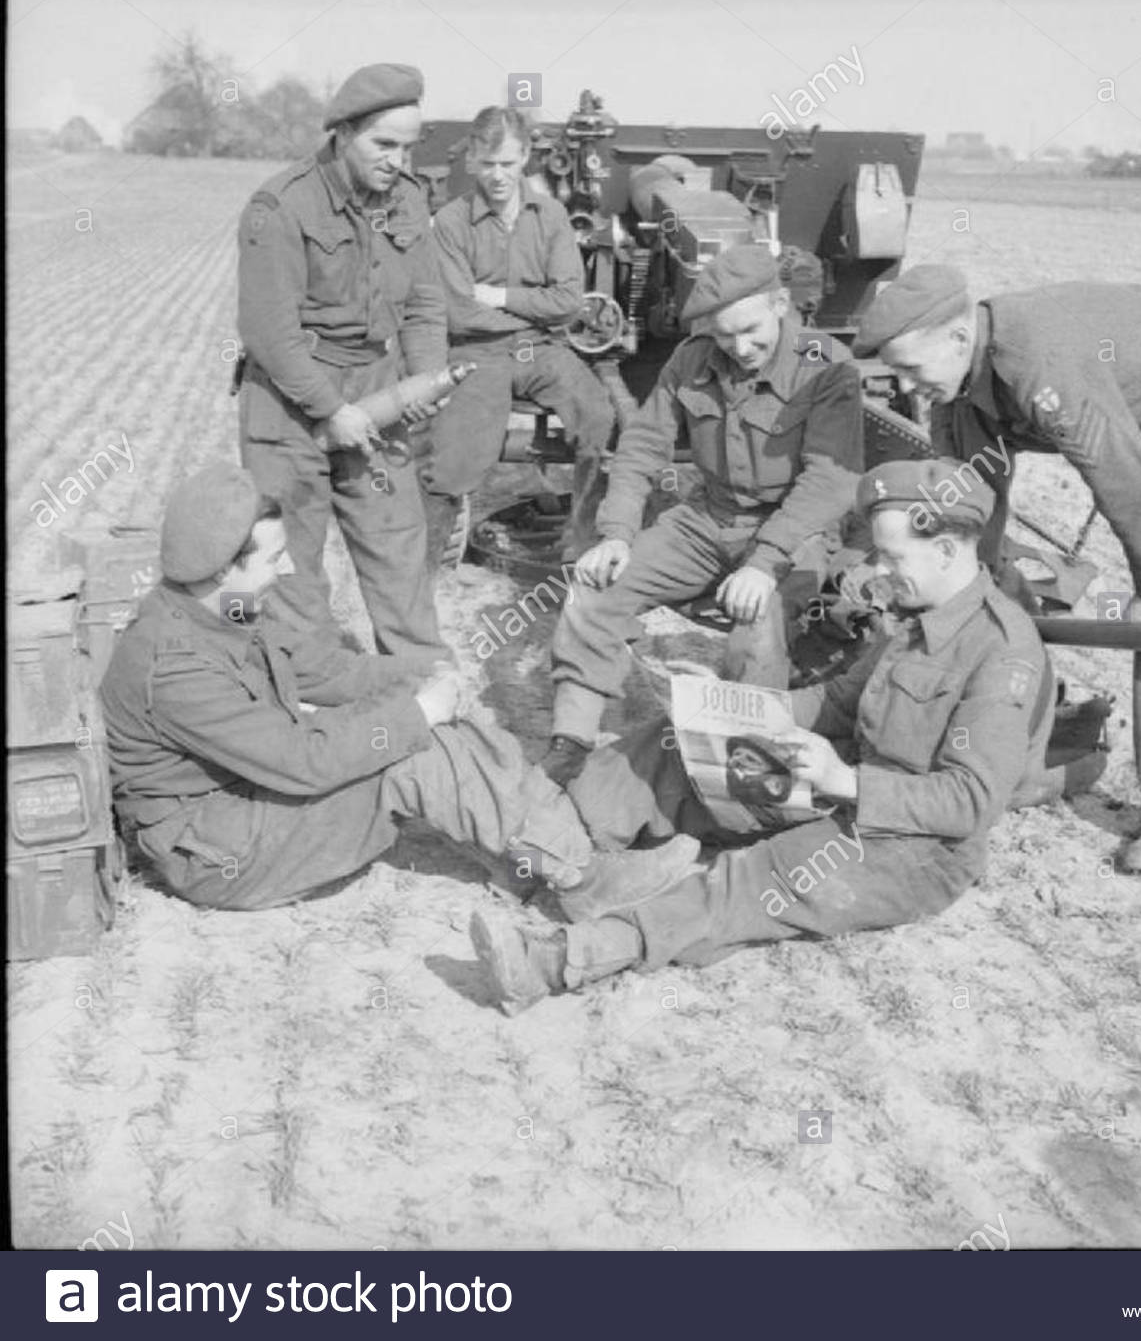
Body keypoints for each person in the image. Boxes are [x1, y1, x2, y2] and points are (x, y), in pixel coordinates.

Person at [469, 458, 1052, 1015]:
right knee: (667, 745)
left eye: (892, 556)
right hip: (844, 784)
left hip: (917, 847)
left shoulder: (1002, 651)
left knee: (751, 881)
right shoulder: (914, 615)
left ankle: (554, 962)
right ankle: (552, 851)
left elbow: (970, 802)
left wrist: (844, 781)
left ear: (948, 550)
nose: (877, 570)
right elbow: (838, 702)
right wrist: (733, 708)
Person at [99, 464, 698, 916]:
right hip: (222, 851)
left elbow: (319, 671)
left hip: (250, 799)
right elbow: (300, 760)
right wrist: (414, 714)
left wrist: (420, 674)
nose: (285, 572)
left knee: (434, 725)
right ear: (223, 568)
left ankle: (547, 851)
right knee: (414, 751)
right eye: (274, 560)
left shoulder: (218, 605)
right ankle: (583, 884)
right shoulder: (173, 665)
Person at [855, 265, 1141, 873]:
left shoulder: (1038, 362)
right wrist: (960, 577)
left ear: (957, 336)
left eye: (915, 370)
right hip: (1129, 418)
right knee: (979, 589)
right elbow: (964, 495)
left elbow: (1123, 477)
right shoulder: (958, 383)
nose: (911, 388)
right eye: (899, 374)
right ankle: (992, 743)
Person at [541, 242, 864, 786]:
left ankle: (750, 767)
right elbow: (643, 444)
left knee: (756, 631)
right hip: (707, 520)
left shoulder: (827, 368)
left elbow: (829, 481)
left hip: (794, 530)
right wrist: (617, 534)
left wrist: (763, 564)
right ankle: (571, 741)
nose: (739, 348)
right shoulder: (690, 360)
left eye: (751, 330)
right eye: (723, 335)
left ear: (781, 304)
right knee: (593, 591)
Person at [236, 62, 451, 669]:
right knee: (292, 558)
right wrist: (332, 410)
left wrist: (426, 377)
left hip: (376, 387)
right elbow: (269, 333)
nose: (398, 162)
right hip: (288, 399)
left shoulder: (408, 199)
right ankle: (311, 686)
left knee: (396, 541)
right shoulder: (280, 206)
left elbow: (426, 300)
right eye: (384, 145)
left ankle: (420, 682)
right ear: (342, 134)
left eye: (409, 148)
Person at [415, 105, 616, 567]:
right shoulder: (450, 222)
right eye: (487, 164)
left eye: (507, 163)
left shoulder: (550, 216)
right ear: (471, 161)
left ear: (525, 156)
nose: (498, 175)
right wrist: (531, 307)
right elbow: (459, 310)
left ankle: (582, 537)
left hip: (541, 350)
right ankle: (423, 578)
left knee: (598, 417)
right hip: (477, 353)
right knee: (453, 461)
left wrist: (499, 296)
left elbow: (569, 301)